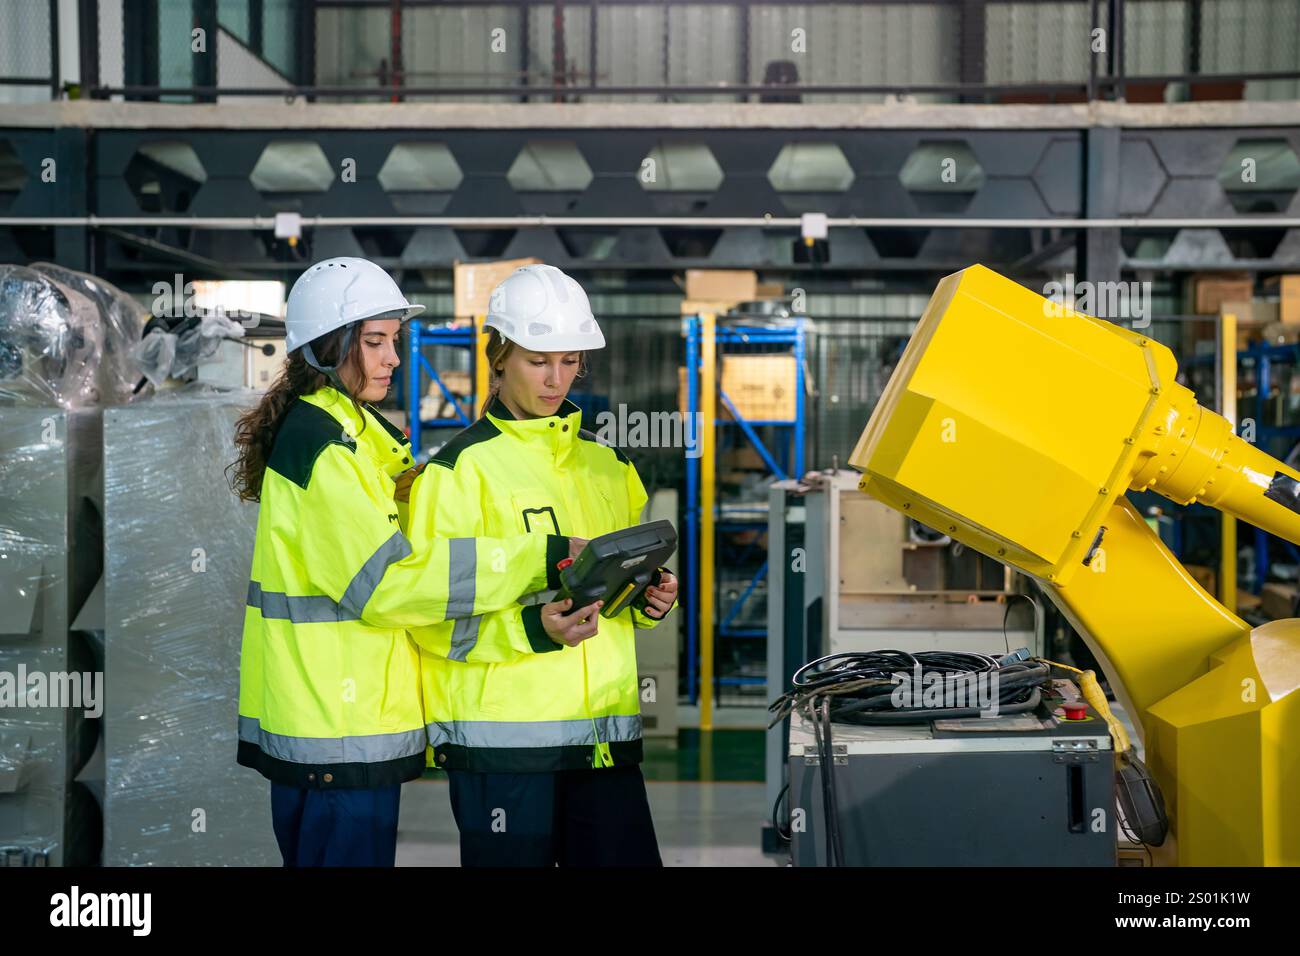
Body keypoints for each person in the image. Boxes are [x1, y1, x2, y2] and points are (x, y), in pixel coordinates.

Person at [229, 257, 576, 867]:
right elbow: (387, 584)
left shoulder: (355, 439)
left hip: (343, 726)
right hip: (335, 731)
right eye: (374, 342)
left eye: (394, 340)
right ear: (326, 348)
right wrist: (537, 559)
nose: (393, 357)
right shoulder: (325, 447)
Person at [406, 263, 678, 867]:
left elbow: (615, 597)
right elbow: (426, 618)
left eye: (570, 359)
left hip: (603, 745)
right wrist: (532, 629)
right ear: (498, 358)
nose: (557, 378)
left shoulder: (610, 468)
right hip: (503, 752)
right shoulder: (457, 473)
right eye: (538, 361)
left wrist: (649, 599)